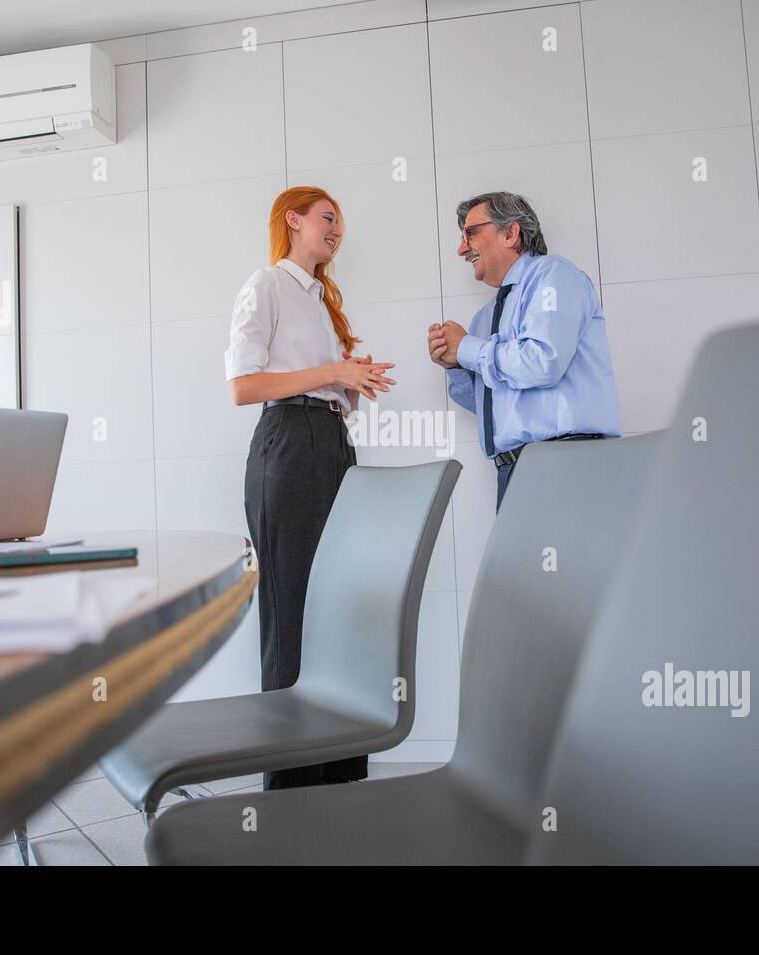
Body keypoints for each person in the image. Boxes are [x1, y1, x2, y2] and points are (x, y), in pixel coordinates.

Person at [225, 185, 396, 789]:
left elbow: (324, 387)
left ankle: (342, 775)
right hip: (288, 448)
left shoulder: (322, 300)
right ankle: (292, 791)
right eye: (327, 218)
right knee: (293, 608)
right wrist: (333, 371)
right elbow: (243, 386)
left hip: (330, 442)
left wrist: (352, 381)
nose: (336, 230)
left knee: (342, 607)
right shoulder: (266, 285)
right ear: (292, 220)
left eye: (340, 223)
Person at [428, 191, 622, 511]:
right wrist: (455, 365)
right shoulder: (484, 318)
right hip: (514, 470)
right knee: (523, 564)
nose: (462, 248)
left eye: (471, 233)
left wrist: (465, 348)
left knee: (570, 561)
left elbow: (543, 362)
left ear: (510, 233)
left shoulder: (553, 275)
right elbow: (492, 403)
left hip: (564, 462)